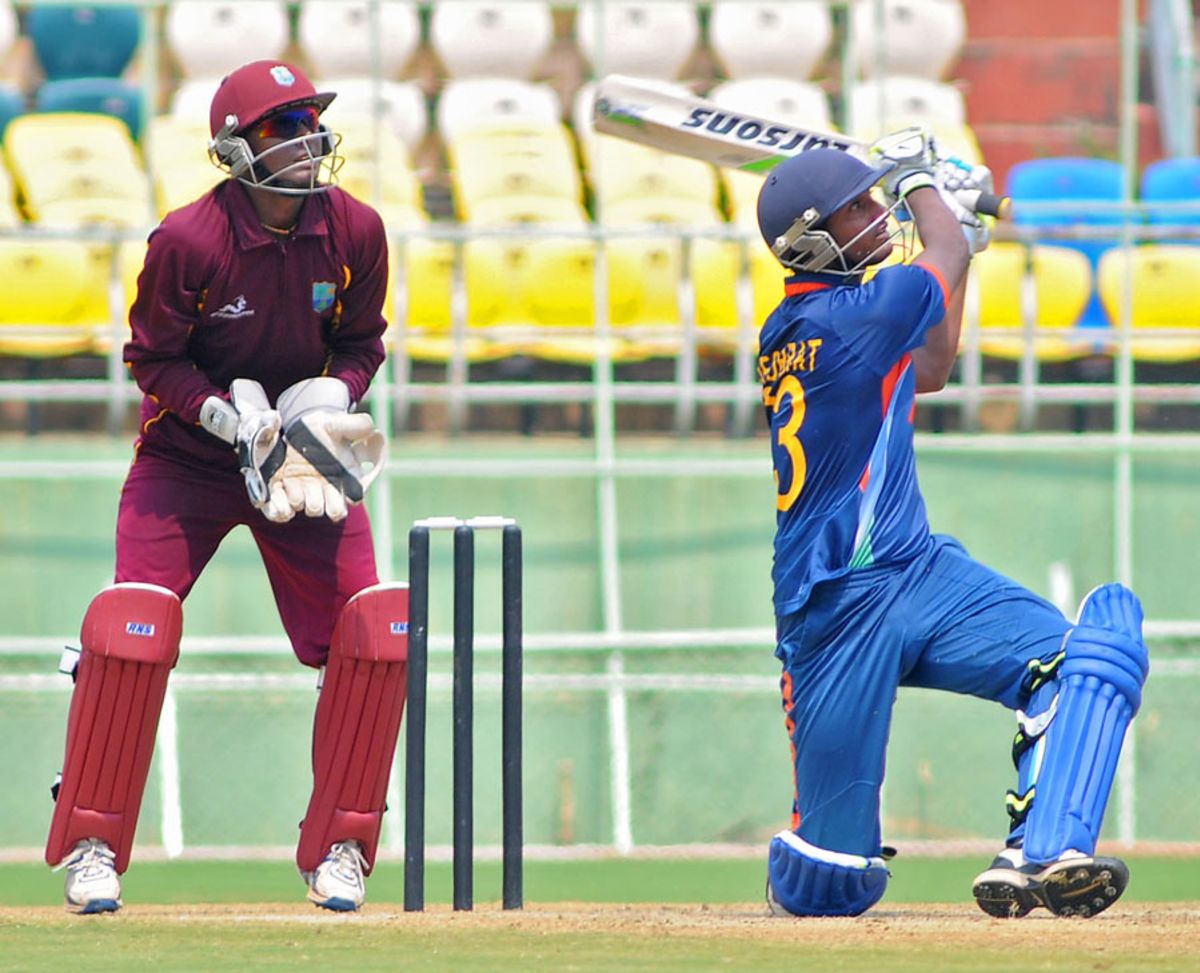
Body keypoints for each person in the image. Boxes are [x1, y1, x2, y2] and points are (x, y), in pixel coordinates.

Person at [754, 131, 1149, 919]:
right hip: (836, 603)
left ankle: (1041, 848)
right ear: (810, 240)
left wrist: (959, 233)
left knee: (1090, 656)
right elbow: (928, 251)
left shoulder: (832, 319)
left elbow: (930, 366)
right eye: (856, 207)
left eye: (876, 198)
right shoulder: (851, 316)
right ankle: (818, 855)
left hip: (918, 570)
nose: (875, 214)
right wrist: (922, 182)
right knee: (832, 879)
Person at [45, 60, 408, 915]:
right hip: (190, 459)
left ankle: (344, 849)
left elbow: (363, 341)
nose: (308, 140)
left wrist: (331, 398)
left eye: (312, 121)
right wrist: (226, 419)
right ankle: (93, 842)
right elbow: (151, 359)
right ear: (234, 149)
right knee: (132, 626)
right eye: (285, 126)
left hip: (301, 455)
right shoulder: (188, 242)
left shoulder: (356, 229)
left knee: (375, 635)